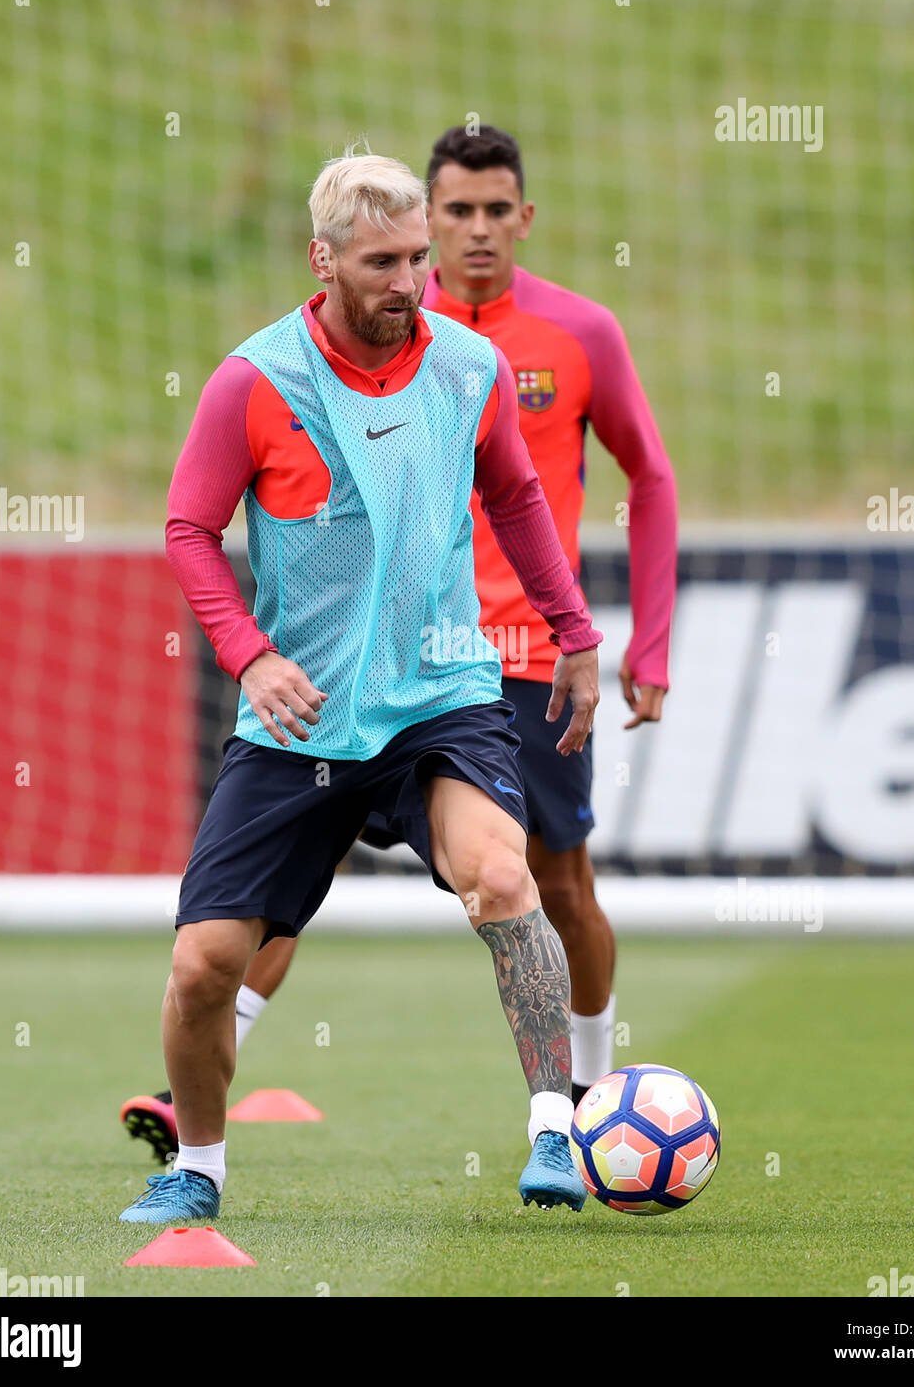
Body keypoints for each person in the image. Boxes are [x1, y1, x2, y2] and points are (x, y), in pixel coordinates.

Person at [122, 123, 676, 1166]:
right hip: (309, 714)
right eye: (387, 262)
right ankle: (196, 1169)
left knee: (513, 884)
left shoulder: (471, 366)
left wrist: (577, 633)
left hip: (443, 697)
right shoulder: (255, 381)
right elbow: (188, 528)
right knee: (205, 962)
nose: (412, 279)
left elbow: (514, 495)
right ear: (323, 260)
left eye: (417, 257)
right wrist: (249, 652)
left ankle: (556, 1123)